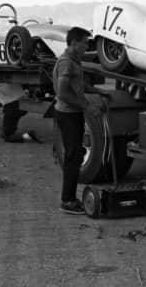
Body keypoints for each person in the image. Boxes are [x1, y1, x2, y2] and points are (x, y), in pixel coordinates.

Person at [53, 27, 95, 214]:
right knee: (73, 157)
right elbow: (62, 93)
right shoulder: (66, 63)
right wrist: (86, 106)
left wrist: (97, 91)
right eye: (85, 42)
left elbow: (76, 85)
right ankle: (67, 200)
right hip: (68, 114)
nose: (87, 46)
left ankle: (69, 198)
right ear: (74, 43)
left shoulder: (74, 62)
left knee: (76, 154)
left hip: (73, 113)